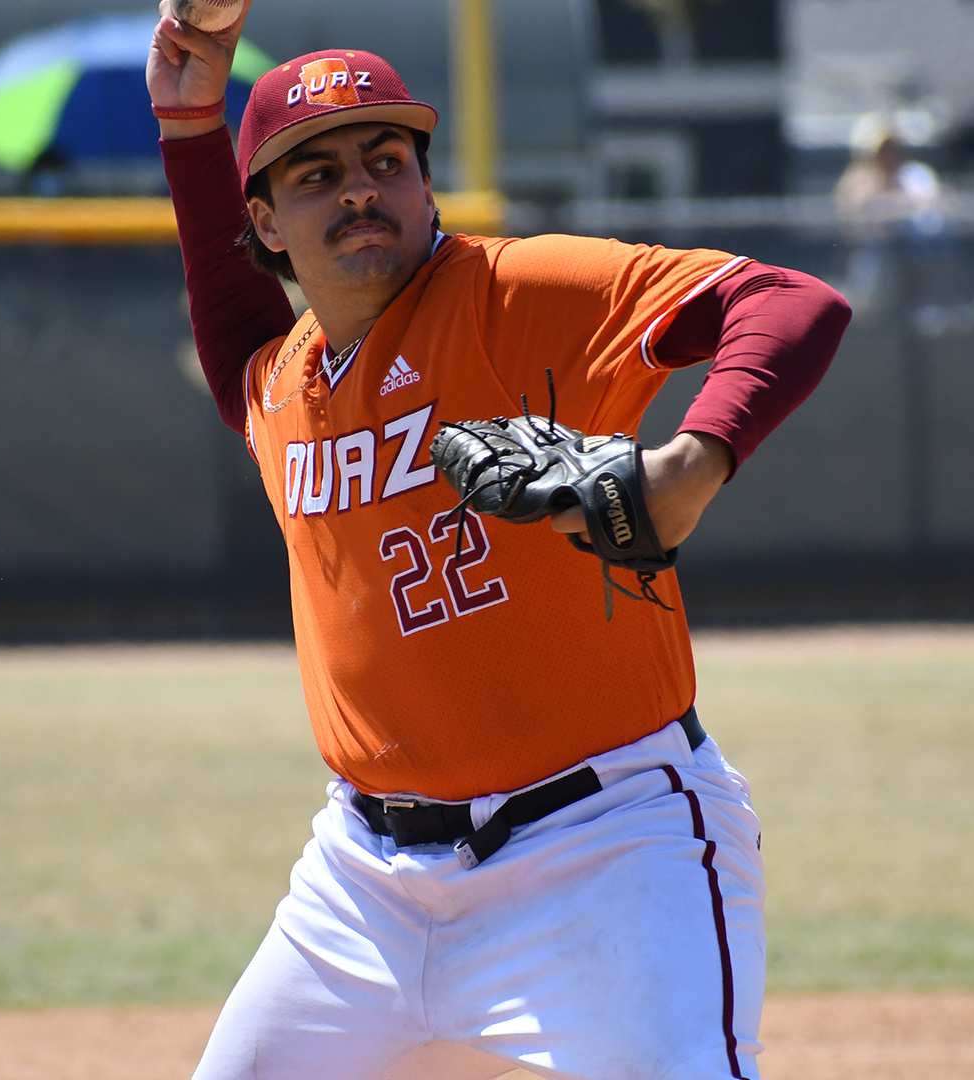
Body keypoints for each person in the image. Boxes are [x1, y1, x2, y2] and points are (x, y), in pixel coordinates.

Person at [148, 3, 849, 1075]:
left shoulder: (511, 292)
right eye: (315, 175)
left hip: (604, 848)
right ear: (268, 228)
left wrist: (691, 463)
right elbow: (227, 312)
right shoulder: (280, 383)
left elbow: (789, 301)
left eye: (386, 158)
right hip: (362, 881)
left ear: (427, 185)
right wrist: (190, 123)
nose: (359, 190)